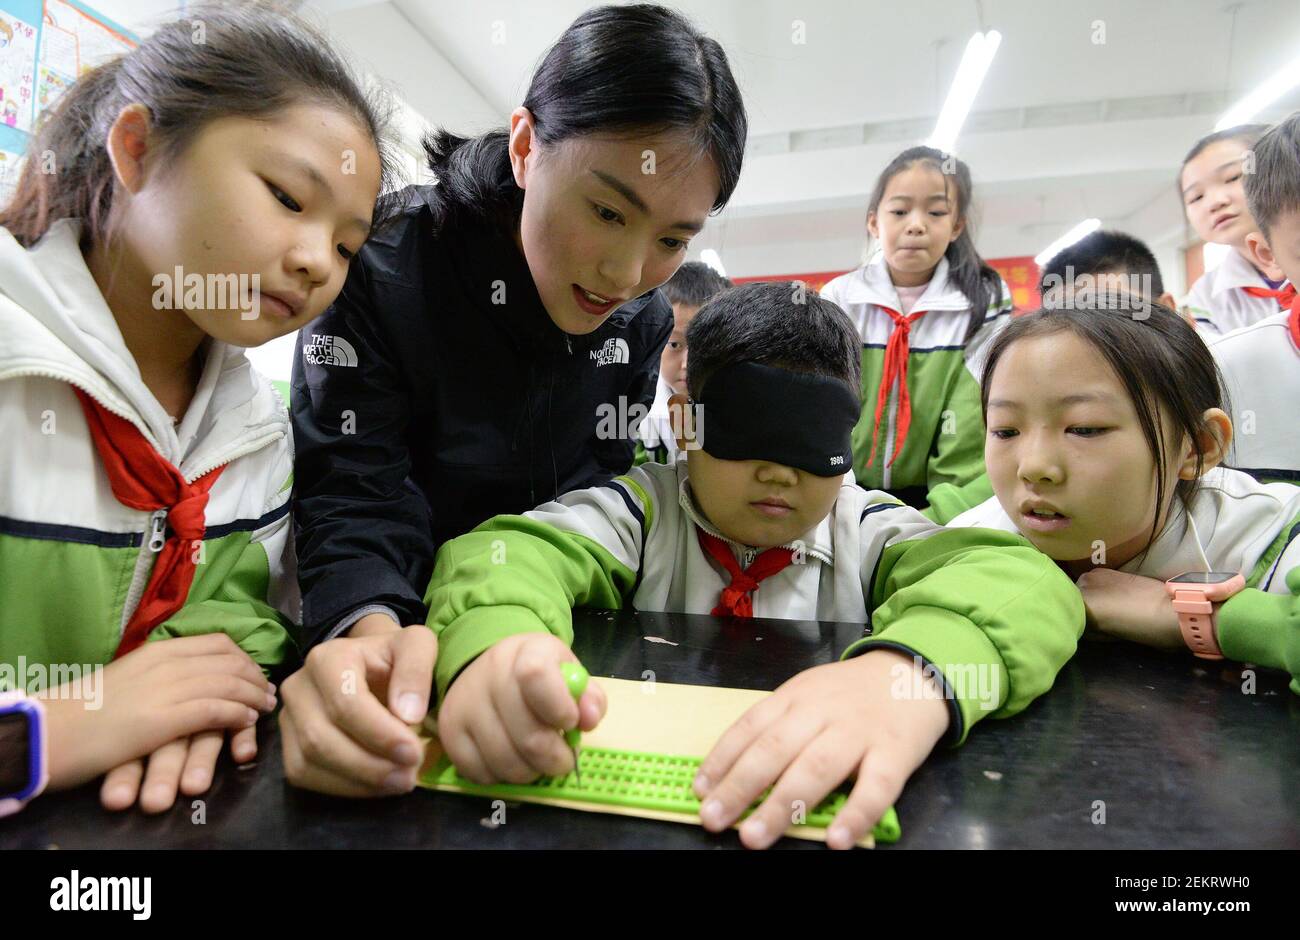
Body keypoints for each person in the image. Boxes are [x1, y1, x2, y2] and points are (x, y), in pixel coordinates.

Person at [425, 282, 1083, 849]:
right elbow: (507, 553)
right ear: (685, 425)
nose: (778, 472)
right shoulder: (644, 512)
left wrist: (907, 675)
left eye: (811, 441)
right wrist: (497, 642)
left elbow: (1020, 581)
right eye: (747, 430)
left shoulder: (864, 526)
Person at [279, 3, 748, 798]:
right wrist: (370, 636)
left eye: (672, 240)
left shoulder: (640, 318)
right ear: (527, 147)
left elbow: (593, 495)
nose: (626, 274)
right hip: (395, 634)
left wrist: (525, 630)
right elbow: (352, 487)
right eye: (607, 212)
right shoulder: (386, 265)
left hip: (533, 627)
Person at [0, 3, 392, 811]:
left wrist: (197, 690)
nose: (318, 262)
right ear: (138, 149)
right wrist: (52, 732)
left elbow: (243, 614)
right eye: (288, 197)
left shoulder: (257, 433)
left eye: (348, 246)